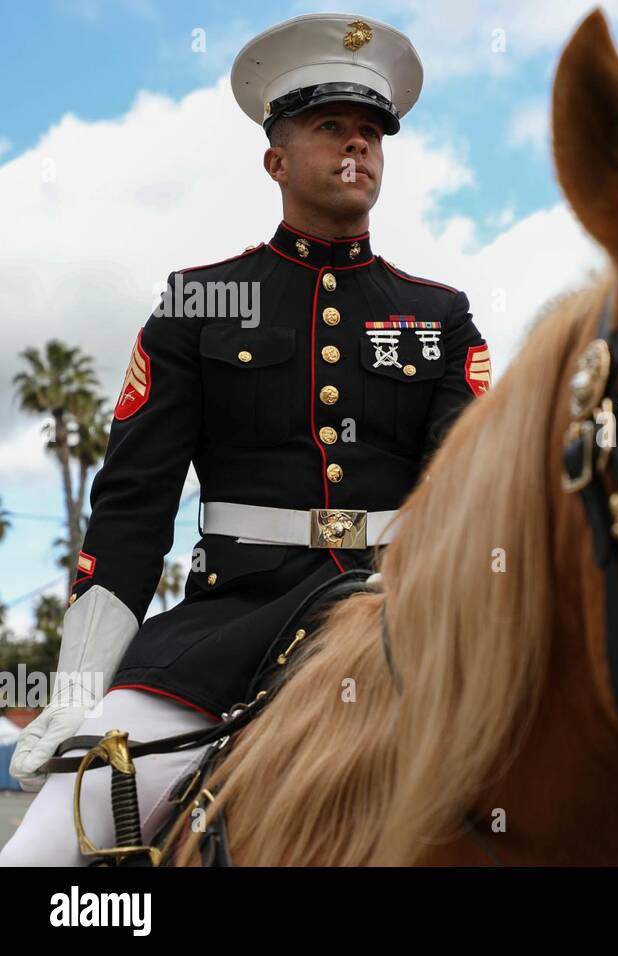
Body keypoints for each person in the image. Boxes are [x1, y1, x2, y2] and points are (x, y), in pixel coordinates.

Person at [2, 13, 490, 866]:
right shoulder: (198, 301)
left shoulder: (442, 317)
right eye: (331, 127)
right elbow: (131, 511)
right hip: (231, 629)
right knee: (45, 853)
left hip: (403, 618)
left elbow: (468, 492)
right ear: (276, 159)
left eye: (371, 132)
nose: (356, 146)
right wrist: (79, 683)